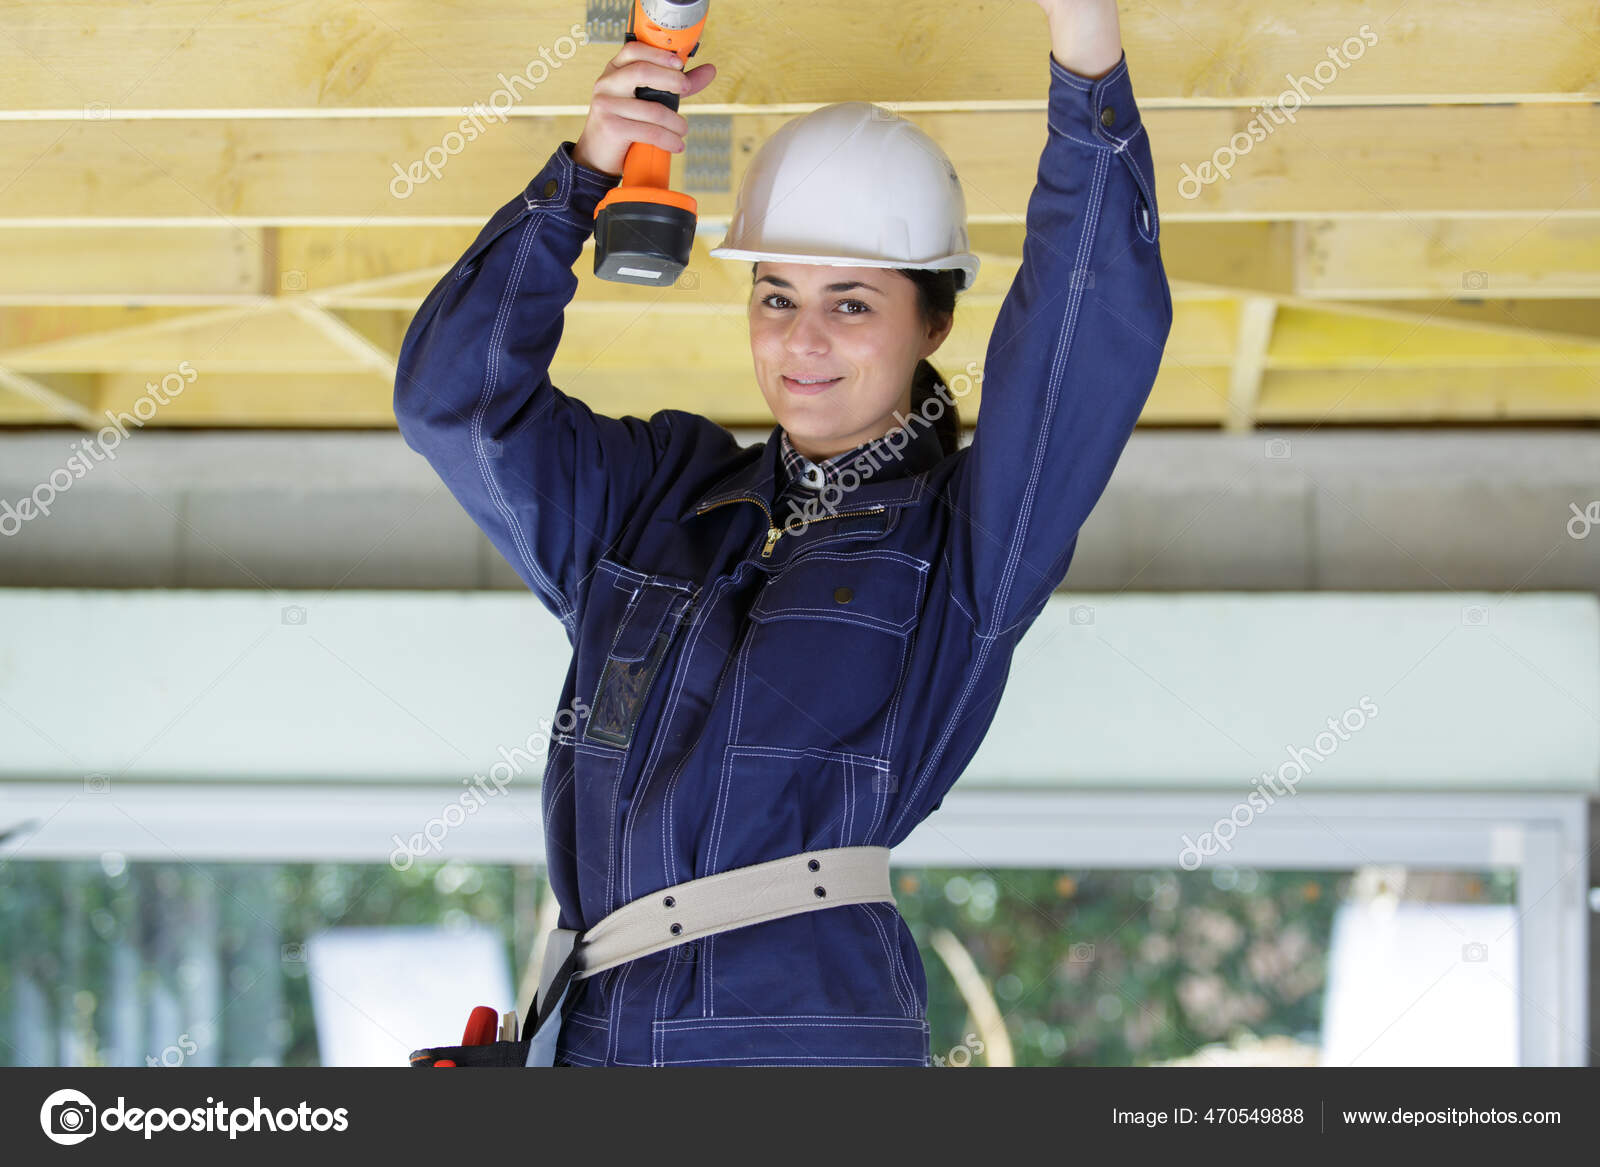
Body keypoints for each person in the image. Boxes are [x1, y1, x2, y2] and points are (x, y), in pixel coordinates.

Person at [393, 0, 1170, 1067]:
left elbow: (1086, 334)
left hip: (798, 1033)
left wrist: (1085, 50)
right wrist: (583, 176)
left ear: (934, 321)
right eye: (774, 296)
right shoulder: (661, 497)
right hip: (596, 1022)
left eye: (850, 304)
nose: (801, 341)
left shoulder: (968, 541)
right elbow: (454, 405)